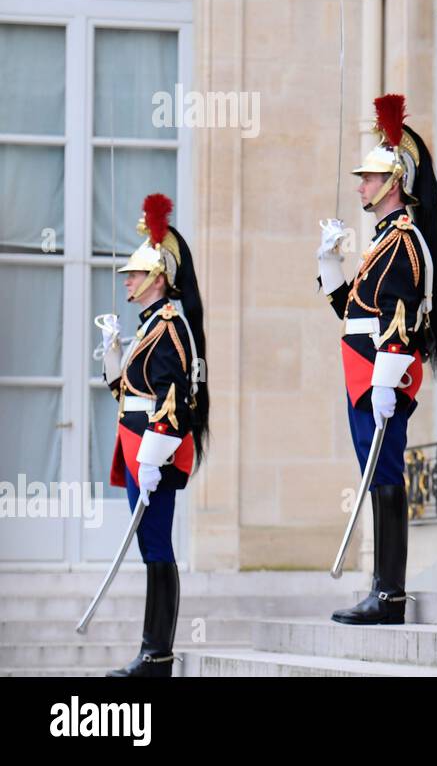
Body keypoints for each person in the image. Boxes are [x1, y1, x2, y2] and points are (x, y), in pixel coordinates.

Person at [317, 94, 437, 621]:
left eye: (369, 178)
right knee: (378, 475)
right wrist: (330, 265)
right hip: (366, 373)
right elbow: (353, 310)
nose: (361, 186)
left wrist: (389, 380)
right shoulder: (381, 242)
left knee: (385, 473)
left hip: (380, 376)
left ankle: (389, 592)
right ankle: (383, 588)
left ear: (393, 182)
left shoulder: (404, 242)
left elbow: (401, 316)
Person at [97, 193, 209, 676]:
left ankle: (157, 652)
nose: (128, 279)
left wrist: (151, 458)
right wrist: (111, 351)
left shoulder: (168, 326)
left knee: (158, 549)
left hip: (153, 453)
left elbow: (175, 401)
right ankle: (151, 650)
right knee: (151, 550)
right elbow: (125, 389)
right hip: (139, 447)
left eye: (137, 274)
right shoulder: (149, 327)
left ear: (159, 278)